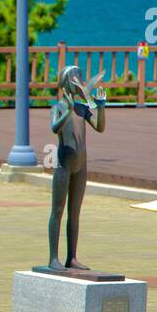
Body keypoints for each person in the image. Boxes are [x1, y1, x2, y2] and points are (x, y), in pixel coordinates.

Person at [47, 65, 106, 271]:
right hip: (64, 164)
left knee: (75, 212)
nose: (80, 83)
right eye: (76, 80)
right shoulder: (59, 108)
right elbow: (55, 128)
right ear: (66, 84)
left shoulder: (82, 109)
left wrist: (101, 106)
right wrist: (68, 111)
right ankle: (53, 258)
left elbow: (100, 127)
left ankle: (71, 257)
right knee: (57, 210)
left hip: (81, 166)